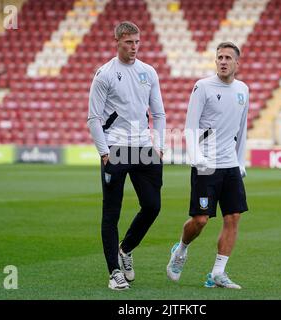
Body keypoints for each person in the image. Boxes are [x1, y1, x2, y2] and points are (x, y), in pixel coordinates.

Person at [87, 21, 166, 290]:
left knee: (153, 206)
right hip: (116, 149)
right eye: (129, 42)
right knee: (112, 212)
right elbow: (94, 118)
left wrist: (160, 145)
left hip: (144, 148)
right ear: (117, 41)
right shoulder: (105, 74)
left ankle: (126, 248)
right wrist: (104, 152)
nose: (134, 47)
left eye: (137, 42)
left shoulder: (148, 72)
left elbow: (159, 113)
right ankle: (114, 273)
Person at [166, 42, 249, 289]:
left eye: (227, 58)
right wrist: (195, 156)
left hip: (230, 165)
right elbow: (190, 126)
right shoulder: (202, 87)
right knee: (201, 220)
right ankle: (180, 250)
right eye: (219, 57)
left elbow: (241, 130)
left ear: (237, 63)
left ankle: (218, 273)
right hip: (206, 165)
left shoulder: (243, 90)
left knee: (233, 217)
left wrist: (240, 160)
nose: (223, 61)